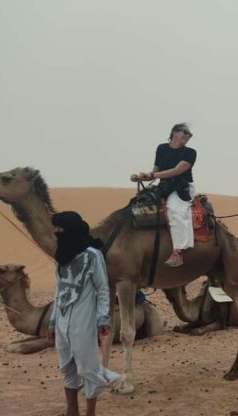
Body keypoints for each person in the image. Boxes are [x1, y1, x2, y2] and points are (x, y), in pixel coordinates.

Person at [47, 211, 121, 416]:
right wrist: (53, 322)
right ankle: (72, 411)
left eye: (60, 228)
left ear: (69, 230)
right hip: (62, 320)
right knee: (67, 368)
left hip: (83, 320)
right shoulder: (60, 257)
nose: (56, 232)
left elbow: (103, 288)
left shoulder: (92, 256)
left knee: (88, 369)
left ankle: (91, 412)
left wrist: (102, 318)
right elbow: (58, 289)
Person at [130, 123, 197, 267]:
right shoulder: (161, 148)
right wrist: (141, 177)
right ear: (174, 132)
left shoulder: (190, 153)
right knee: (138, 204)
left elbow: (176, 170)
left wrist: (152, 174)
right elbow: (155, 171)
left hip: (181, 187)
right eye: (185, 132)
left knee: (176, 210)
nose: (187, 136)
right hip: (164, 186)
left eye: (189, 134)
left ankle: (178, 252)